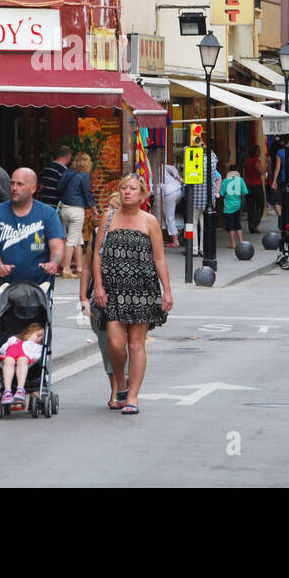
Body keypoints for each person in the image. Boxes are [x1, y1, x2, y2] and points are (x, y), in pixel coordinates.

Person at [91, 173, 173, 415]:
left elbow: (159, 258)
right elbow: (97, 254)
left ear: (142, 194)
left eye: (133, 189)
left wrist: (167, 290)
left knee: (136, 344)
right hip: (113, 289)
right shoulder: (108, 218)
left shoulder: (150, 222)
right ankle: (121, 382)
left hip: (143, 290)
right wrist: (98, 286)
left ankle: (133, 397)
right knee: (116, 345)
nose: (127, 192)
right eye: (124, 188)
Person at [0, 167, 65, 303]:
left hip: (39, 288)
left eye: (20, 184)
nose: (14, 188)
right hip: (5, 287)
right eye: (12, 183)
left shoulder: (48, 214)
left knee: (36, 325)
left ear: (33, 188)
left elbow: (57, 245)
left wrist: (53, 263)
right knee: (7, 324)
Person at [81, 192, 128, 408]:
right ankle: (116, 387)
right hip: (99, 298)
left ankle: (122, 386)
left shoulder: (131, 232)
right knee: (106, 345)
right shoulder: (96, 232)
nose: (108, 211)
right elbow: (88, 266)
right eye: (107, 207)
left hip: (125, 297)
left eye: (113, 207)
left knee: (120, 345)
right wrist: (83, 295)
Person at [56, 152, 95, 278]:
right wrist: (93, 207)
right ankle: (66, 269)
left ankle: (79, 268)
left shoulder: (67, 172)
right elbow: (87, 192)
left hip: (65, 209)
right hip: (77, 210)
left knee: (78, 240)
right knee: (72, 241)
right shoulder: (84, 176)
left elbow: (59, 188)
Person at [0, 322, 46, 407]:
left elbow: (38, 356)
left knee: (22, 359)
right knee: (8, 360)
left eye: (42, 338)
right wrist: (3, 353)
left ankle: (20, 389)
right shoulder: (13, 339)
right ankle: (7, 391)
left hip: (26, 361)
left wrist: (36, 358)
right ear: (28, 333)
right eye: (38, 335)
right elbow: (2, 348)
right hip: (11, 358)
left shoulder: (36, 346)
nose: (40, 339)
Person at [219, 165, 248, 250]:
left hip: (228, 207)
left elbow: (221, 193)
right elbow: (245, 191)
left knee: (230, 225)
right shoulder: (240, 180)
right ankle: (241, 242)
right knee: (238, 224)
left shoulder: (225, 181)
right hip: (238, 205)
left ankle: (233, 244)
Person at [242, 145, 267, 233]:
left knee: (250, 206)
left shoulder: (246, 162)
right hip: (257, 185)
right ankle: (254, 224)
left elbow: (244, 175)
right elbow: (261, 172)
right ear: (255, 152)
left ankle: (250, 225)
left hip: (248, 185)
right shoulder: (256, 161)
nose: (260, 152)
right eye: (258, 151)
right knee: (260, 205)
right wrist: (266, 165)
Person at [160, 162, 183, 248]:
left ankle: (175, 241)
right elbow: (173, 168)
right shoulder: (161, 165)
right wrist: (176, 177)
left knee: (169, 217)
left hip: (168, 193)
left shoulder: (151, 169)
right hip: (177, 188)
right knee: (167, 215)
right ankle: (168, 237)